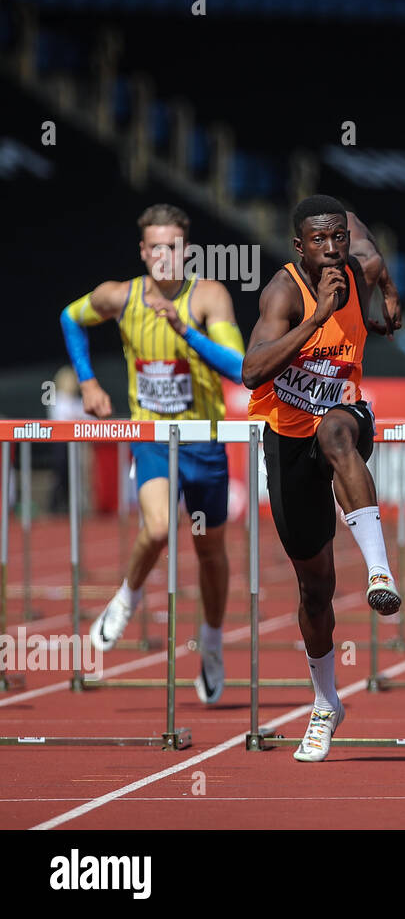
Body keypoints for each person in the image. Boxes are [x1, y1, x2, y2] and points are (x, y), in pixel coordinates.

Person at [60, 203, 245, 705]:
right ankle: (127, 597)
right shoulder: (119, 297)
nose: (165, 256)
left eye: (174, 247)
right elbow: (69, 318)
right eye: (156, 247)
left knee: (210, 550)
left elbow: (239, 368)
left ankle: (209, 641)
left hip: (204, 440)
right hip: (153, 435)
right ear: (143, 251)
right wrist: (88, 381)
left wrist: (185, 330)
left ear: (187, 250)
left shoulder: (208, 296)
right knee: (159, 528)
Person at [243, 195, 401, 762]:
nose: (333, 249)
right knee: (315, 589)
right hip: (285, 438)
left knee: (336, 432)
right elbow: (251, 371)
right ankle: (326, 700)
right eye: (320, 241)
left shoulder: (358, 268)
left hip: (343, 414)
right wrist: (316, 318)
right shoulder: (283, 293)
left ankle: (380, 572)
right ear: (299, 247)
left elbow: (376, 255)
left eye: (338, 236)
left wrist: (388, 295)